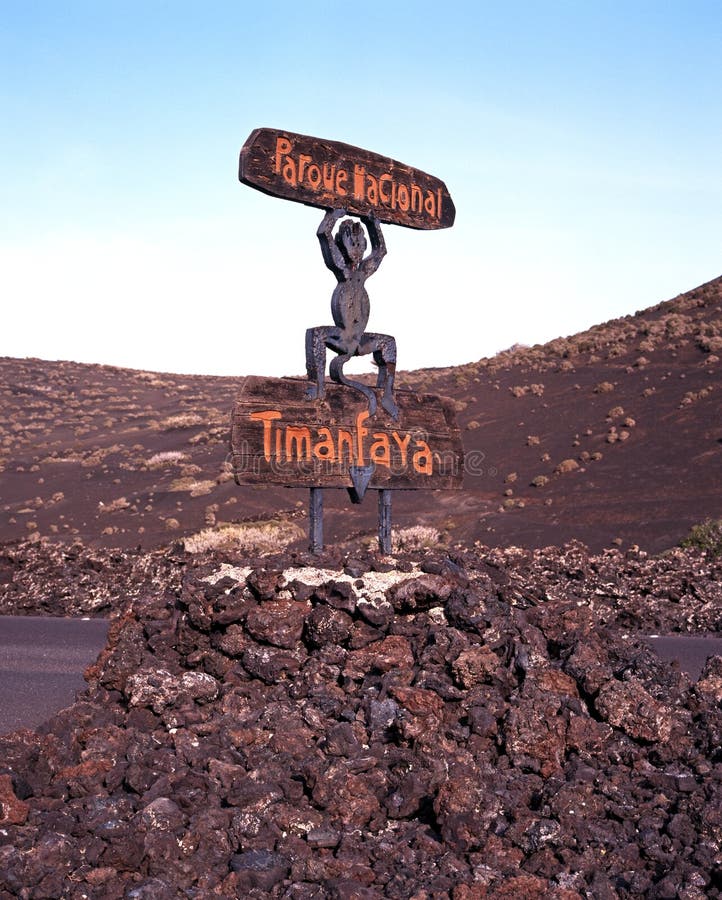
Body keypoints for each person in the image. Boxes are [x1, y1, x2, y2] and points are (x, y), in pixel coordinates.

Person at [305, 208, 398, 419]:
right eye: (351, 244)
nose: (356, 248)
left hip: (359, 338)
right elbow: (324, 235)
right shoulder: (342, 269)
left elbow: (381, 251)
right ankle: (317, 386)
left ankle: (386, 393)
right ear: (342, 246)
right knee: (316, 335)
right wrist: (333, 216)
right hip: (342, 336)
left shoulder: (363, 272)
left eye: (359, 244)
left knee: (388, 343)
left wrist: (374, 225)